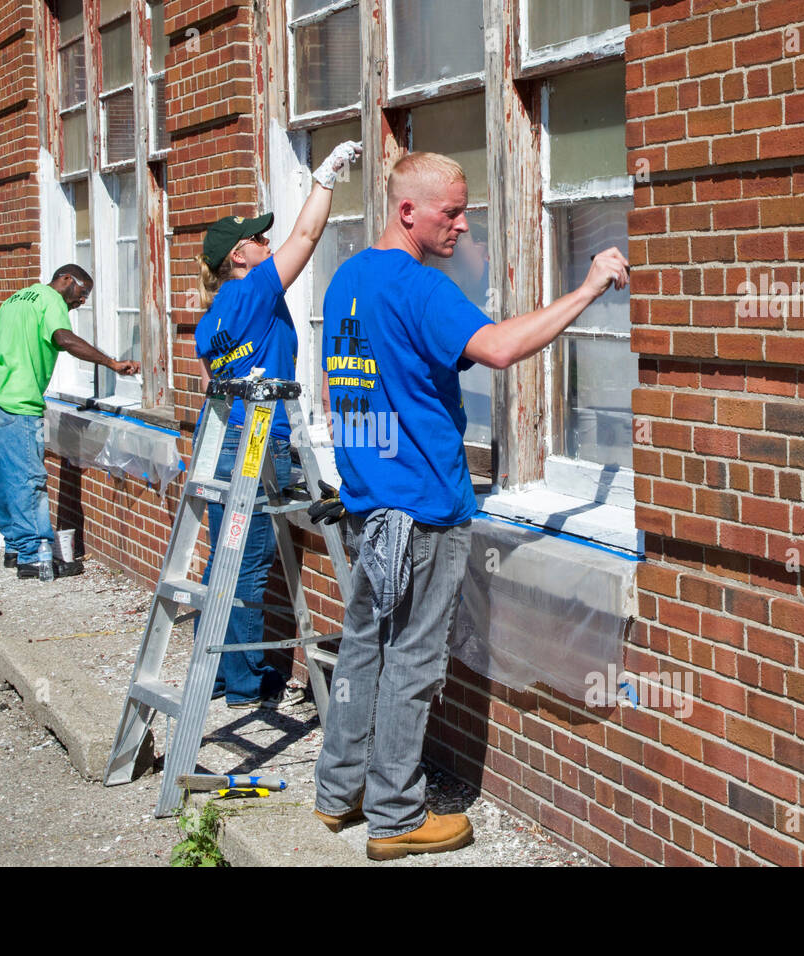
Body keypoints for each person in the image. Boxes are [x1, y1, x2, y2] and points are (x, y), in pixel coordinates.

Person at [312, 151, 629, 860]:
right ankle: (396, 816)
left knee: (365, 646)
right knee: (415, 661)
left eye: (464, 211)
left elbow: (341, 394)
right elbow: (501, 349)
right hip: (421, 510)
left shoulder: (349, 282)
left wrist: (368, 463)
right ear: (407, 212)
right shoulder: (422, 290)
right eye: (449, 213)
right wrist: (587, 288)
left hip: (367, 503)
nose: (460, 224)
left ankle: (340, 794)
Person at [192, 138, 362, 711]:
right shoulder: (252, 290)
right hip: (257, 439)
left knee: (225, 555)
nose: (269, 243)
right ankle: (245, 683)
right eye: (259, 239)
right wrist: (326, 179)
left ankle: (215, 669)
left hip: (222, 435)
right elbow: (308, 238)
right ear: (239, 256)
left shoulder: (213, 317)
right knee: (249, 559)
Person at [0, 265, 139, 579]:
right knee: (28, 479)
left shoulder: (14, 300)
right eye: (81, 294)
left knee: (6, 477)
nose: (80, 303)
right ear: (66, 280)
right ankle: (36, 558)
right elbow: (63, 338)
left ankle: (15, 547)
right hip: (19, 404)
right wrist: (111, 363)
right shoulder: (51, 299)